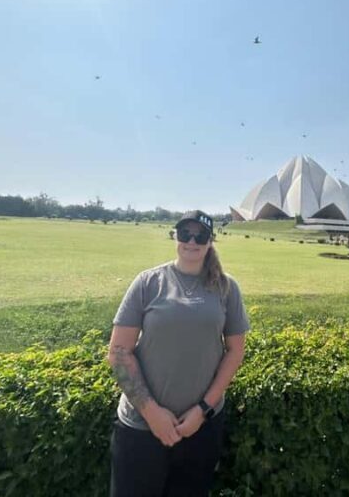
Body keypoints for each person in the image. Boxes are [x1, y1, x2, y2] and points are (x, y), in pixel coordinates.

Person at [107, 210, 250, 496]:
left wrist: (202, 411)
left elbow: (235, 351)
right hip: (141, 428)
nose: (192, 242)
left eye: (201, 236)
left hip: (200, 428)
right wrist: (152, 414)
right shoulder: (148, 282)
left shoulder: (226, 287)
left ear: (211, 241)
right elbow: (119, 352)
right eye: (186, 234)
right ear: (176, 235)